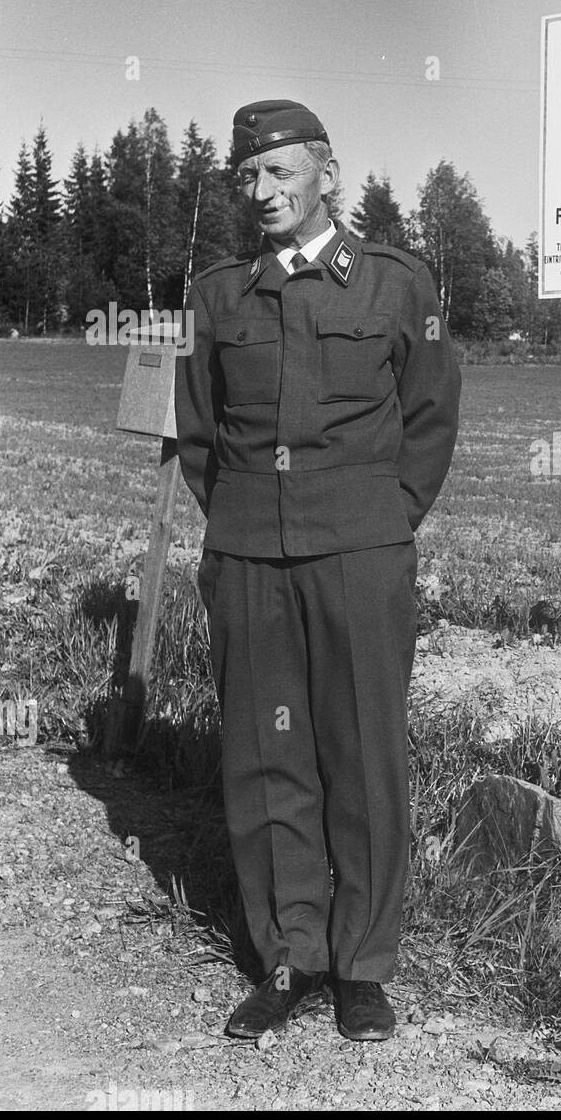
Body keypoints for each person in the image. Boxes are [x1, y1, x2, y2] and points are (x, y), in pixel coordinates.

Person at [175, 100, 461, 1042]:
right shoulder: (219, 295)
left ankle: (363, 968)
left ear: (327, 176)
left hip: (360, 556)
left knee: (363, 757)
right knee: (267, 758)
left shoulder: (392, 284)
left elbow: (428, 421)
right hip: (252, 553)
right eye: (249, 177)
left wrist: (381, 522)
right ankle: (288, 957)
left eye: (281, 173)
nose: (262, 193)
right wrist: (248, 524)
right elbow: (201, 436)